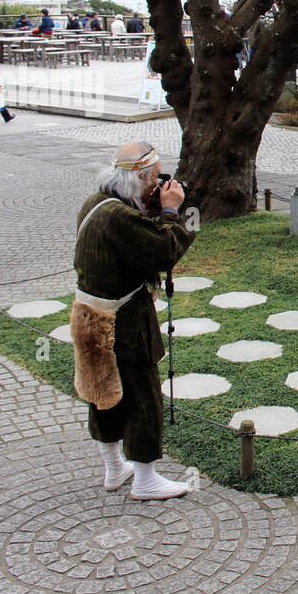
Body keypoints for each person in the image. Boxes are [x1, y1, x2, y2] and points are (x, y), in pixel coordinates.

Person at [71, 143, 195, 500]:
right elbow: (162, 252)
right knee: (141, 391)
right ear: (140, 177)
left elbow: (130, 250)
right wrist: (171, 210)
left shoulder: (97, 203)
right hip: (124, 319)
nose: (157, 185)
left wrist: (155, 209)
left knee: (103, 390)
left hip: (89, 314)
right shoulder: (120, 217)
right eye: (154, 179)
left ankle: (114, 469)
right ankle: (145, 478)